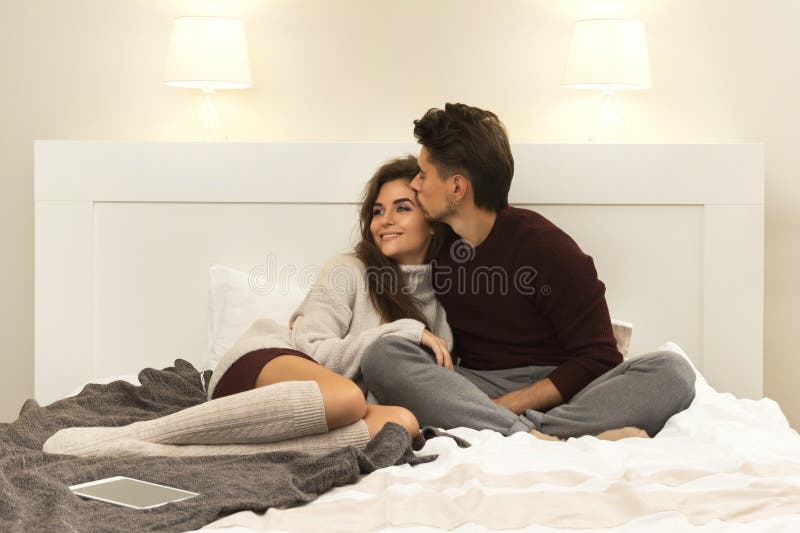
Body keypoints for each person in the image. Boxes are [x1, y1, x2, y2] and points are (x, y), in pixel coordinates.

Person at [42, 156, 454, 458]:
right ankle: (138, 435)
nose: (384, 221)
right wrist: (397, 331)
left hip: (326, 408)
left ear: (432, 221)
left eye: (403, 208)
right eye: (377, 211)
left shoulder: (439, 307)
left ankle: (163, 454)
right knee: (346, 398)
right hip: (270, 362)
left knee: (402, 423)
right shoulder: (349, 269)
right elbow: (311, 349)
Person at [360, 103, 697, 441]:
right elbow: (384, 249)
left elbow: (599, 357)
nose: (415, 184)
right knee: (383, 355)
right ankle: (543, 436)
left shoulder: (547, 248)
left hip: (563, 389)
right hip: (478, 386)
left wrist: (508, 407)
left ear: (457, 188)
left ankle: (527, 433)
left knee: (674, 372)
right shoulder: (438, 244)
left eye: (423, 174)